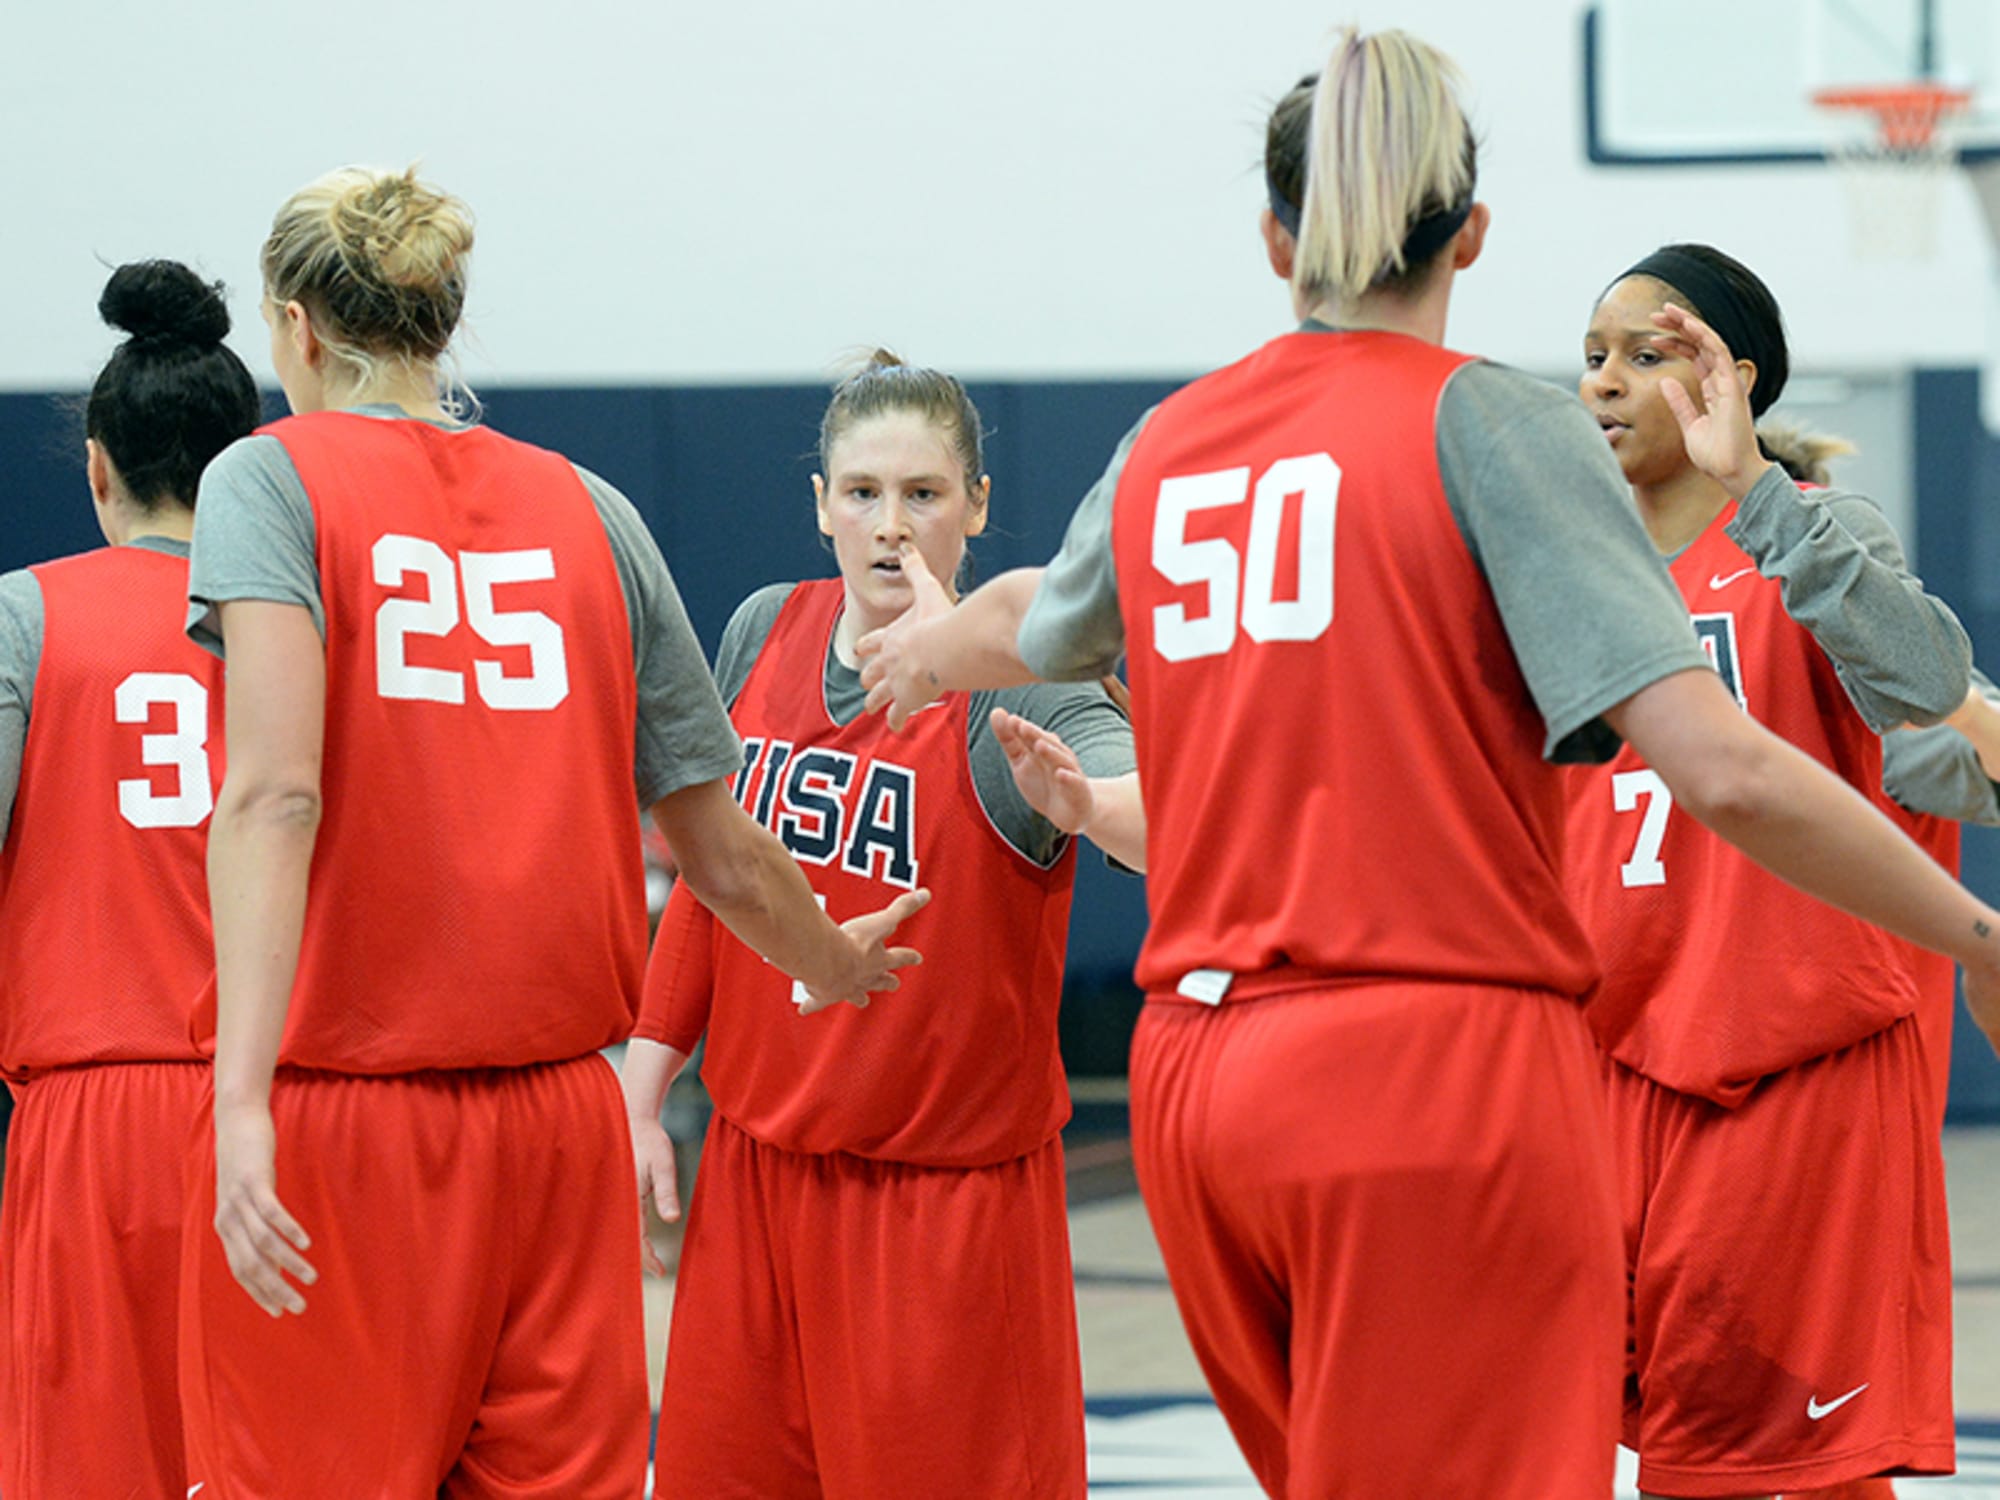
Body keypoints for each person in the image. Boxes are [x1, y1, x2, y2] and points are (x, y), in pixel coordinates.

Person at [856, 31, 2000, 1499]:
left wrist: (923, 653)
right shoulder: (1486, 427)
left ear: (1277, 235)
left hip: (1205, 1088)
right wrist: (1974, 933)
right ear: (1471, 228)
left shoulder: (1172, 442)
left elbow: (1037, 616)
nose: (1605, 379)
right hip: (1430, 1069)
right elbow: (1728, 774)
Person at [178, 165, 927, 1499]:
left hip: (352, 1125)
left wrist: (238, 1102)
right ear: (441, 321)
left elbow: (275, 795)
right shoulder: (593, 509)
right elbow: (721, 840)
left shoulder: (266, 478)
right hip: (561, 1133)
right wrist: (828, 959)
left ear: (295, 327)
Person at [623, 351, 1139, 1499]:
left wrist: (1085, 805)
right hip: (757, 1187)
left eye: (923, 495)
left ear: (977, 507)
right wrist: (643, 1088)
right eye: (861, 493)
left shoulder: (1023, 681)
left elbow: (1160, 822)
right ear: (819, 506)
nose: (890, 526)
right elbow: (718, 882)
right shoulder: (763, 630)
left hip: (942, 1211)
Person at [1569, 244, 1976, 1500]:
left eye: (1649, 356)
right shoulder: (1563, 576)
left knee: (1767, 1470)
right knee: (1582, 1446)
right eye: (1592, 357)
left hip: (1782, 1063)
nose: (1605, 384)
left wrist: (1750, 484)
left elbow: (1924, 685)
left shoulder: (1809, 536)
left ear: (1733, 381)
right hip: (1605, 1059)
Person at [0, 259, 261, 1500]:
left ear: (96, 466)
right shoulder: (310, 628)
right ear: (248, 463)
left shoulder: (26, 617)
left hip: (91, 1118)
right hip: (282, 1113)